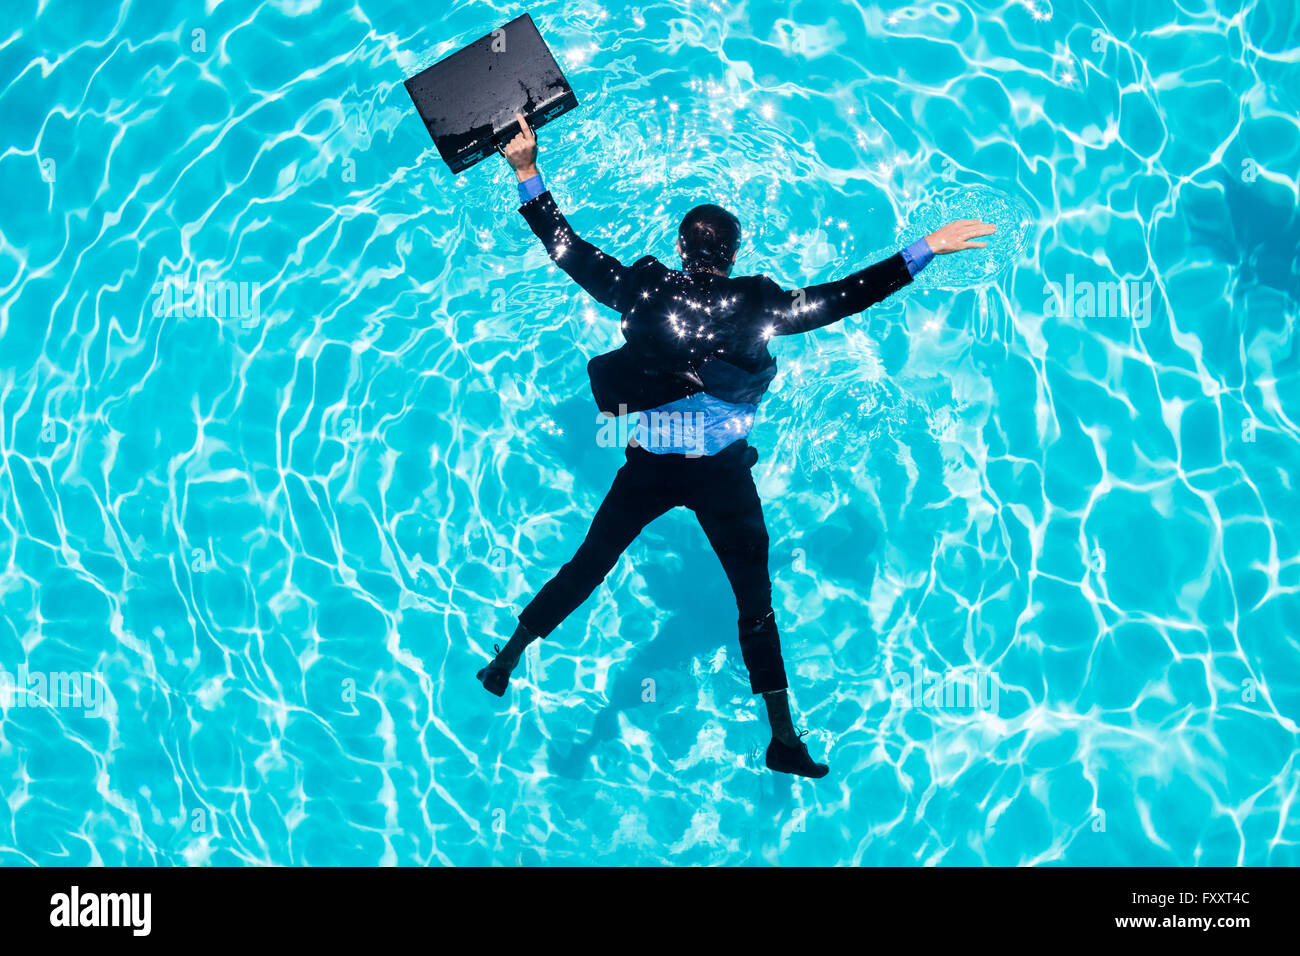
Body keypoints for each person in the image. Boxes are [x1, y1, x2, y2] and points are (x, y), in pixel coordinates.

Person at [478, 114, 995, 778]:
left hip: (652, 466)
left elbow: (569, 250)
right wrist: (924, 248)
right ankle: (782, 736)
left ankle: (508, 658)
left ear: (681, 247)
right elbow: (843, 298)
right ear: (734, 253)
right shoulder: (757, 307)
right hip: (721, 472)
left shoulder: (643, 289)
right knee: (754, 602)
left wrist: (526, 170)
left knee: (590, 563)